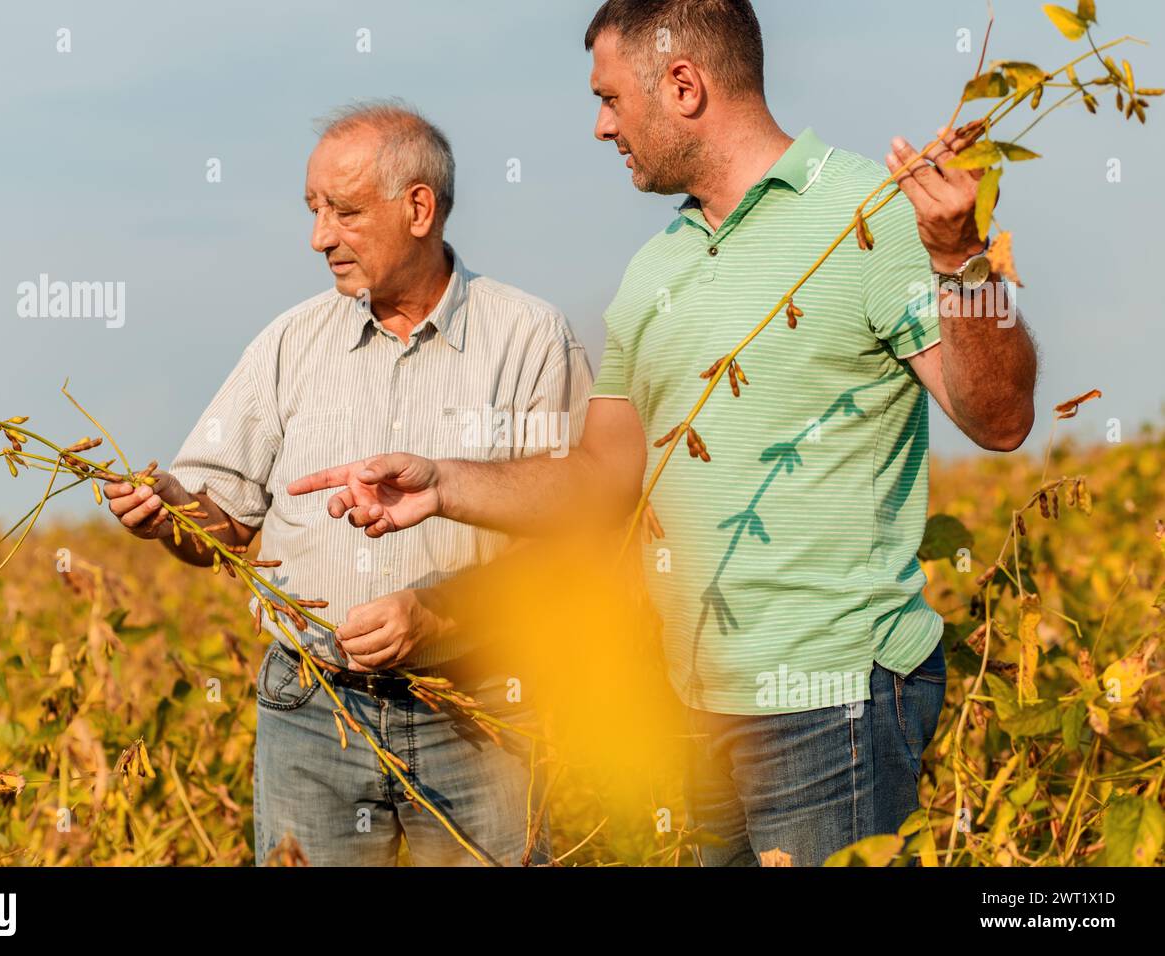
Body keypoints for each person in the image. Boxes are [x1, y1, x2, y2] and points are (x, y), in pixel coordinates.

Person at [287, 1, 1037, 866]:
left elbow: (1002, 416)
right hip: (693, 709)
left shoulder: (870, 216)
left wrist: (958, 261)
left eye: (609, 98)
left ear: (683, 84)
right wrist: (444, 484)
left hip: (837, 705)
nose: (600, 126)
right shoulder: (658, 270)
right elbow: (602, 478)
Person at [103, 101, 592, 866]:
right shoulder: (289, 342)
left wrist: (442, 617)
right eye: (313, 209)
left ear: (419, 208)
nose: (319, 236)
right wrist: (172, 512)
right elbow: (224, 524)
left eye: (345, 211)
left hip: (479, 705)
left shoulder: (531, 340)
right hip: (310, 706)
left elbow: (578, 530)